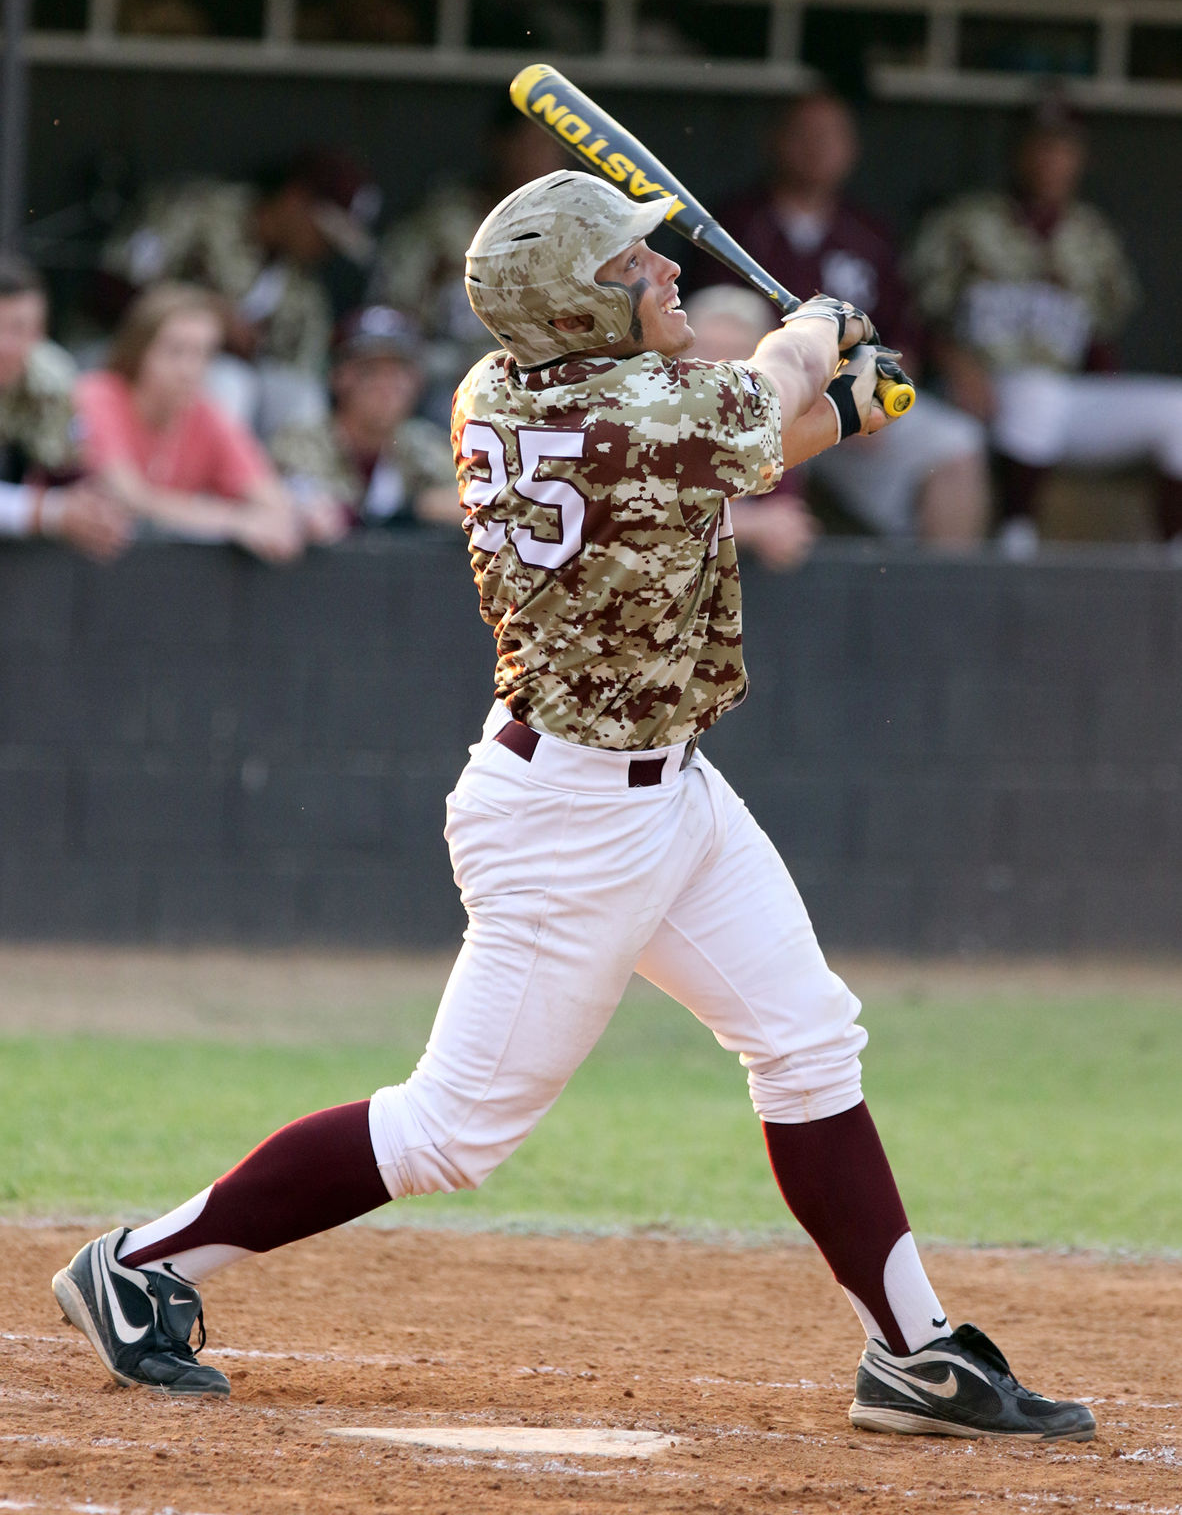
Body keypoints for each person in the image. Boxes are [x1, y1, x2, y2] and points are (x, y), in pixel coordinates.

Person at [52, 169, 1093, 1444]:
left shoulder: (510, 389)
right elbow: (751, 396)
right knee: (450, 1130)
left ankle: (916, 1351)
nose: (661, 275)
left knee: (810, 1041)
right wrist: (825, 329)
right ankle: (142, 1263)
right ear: (574, 313)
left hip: (671, 788)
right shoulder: (642, 406)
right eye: (631, 270)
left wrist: (839, 408)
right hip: (572, 823)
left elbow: (710, 453)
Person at [699, 91, 988, 547]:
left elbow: (902, 335)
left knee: (957, 445)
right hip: (764, 404)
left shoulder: (868, 233)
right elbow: (710, 338)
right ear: (775, 141)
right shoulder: (733, 225)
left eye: (829, 136)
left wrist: (869, 399)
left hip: (854, 398)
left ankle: (940, 605)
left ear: (851, 149)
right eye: (804, 135)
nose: (817, 148)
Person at [908, 106, 1180, 552]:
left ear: (1081, 159)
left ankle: (1175, 563)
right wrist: (954, 365)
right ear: (1016, 152)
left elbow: (1099, 340)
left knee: (1177, 409)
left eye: (1064, 148)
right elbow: (917, 316)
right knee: (1037, 392)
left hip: (1059, 401)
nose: (1051, 159)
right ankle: (1017, 538)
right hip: (984, 395)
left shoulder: (1094, 236)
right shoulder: (964, 224)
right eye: (1041, 145)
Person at [96, 148, 380, 438]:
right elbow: (107, 291)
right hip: (124, 354)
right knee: (228, 383)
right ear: (295, 200)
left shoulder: (305, 286)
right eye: (324, 233)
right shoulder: (201, 210)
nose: (326, 249)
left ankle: (284, 481)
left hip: (228, 384)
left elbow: (300, 369)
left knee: (300, 396)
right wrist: (205, 314)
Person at [75, 283, 302, 562]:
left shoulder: (205, 412)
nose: (190, 370)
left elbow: (272, 500)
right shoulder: (98, 395)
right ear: (138, 349)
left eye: (204, 354)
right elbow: (129, 497)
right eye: (176, 351)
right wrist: (235, 521)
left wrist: (296, 517)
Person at [368, 107, 564, 422]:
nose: (541, 159)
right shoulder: (442, 221)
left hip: (531, 372)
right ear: (501, 144)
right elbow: (392, 313)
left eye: (552, 148)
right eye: (531, 144)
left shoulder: (568, 230)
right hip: (446, 369)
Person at [270, 305, 459, 543]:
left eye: (398, 372)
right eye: (370, 371)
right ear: (339, 376)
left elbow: (471, 503)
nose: (386, 385)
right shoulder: (300, 442)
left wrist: (424, 507)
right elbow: (321, 514)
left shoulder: (424, 443)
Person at [0, 253, 129, 559]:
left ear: (40, 333)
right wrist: (50, 513)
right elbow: (52, 509)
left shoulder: (51, 378)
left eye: (18, 328)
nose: (3, 343)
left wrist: (93, 508)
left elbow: (70, 468)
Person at [683, 285, 817, 570]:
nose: (717, 367)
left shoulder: (771, 424)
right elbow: (644, 513)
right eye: (705, 350)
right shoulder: (646, 415)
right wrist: (751, 527)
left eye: (735, 355)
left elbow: (786, 525)